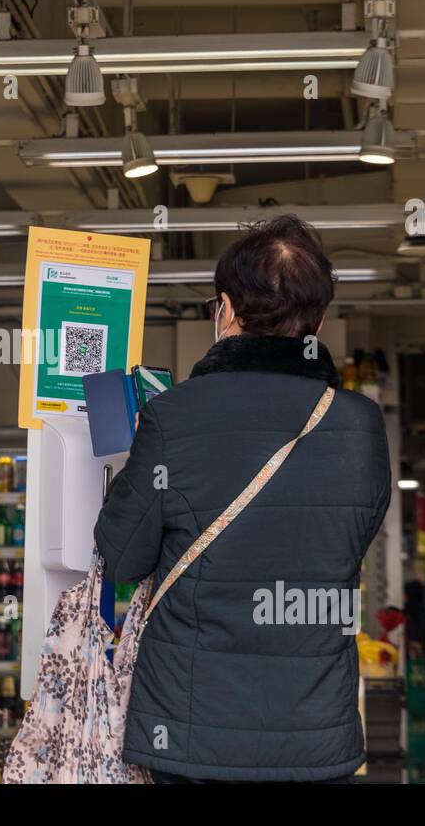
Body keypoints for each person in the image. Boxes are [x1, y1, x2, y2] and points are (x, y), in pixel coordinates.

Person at [94, 214, 391, 783]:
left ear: (225, 309)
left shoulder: (173, 416)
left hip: (190, 732)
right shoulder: (361, 426)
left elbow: (123, 558)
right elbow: (346, 542)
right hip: (315, 733)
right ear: (319, 321)